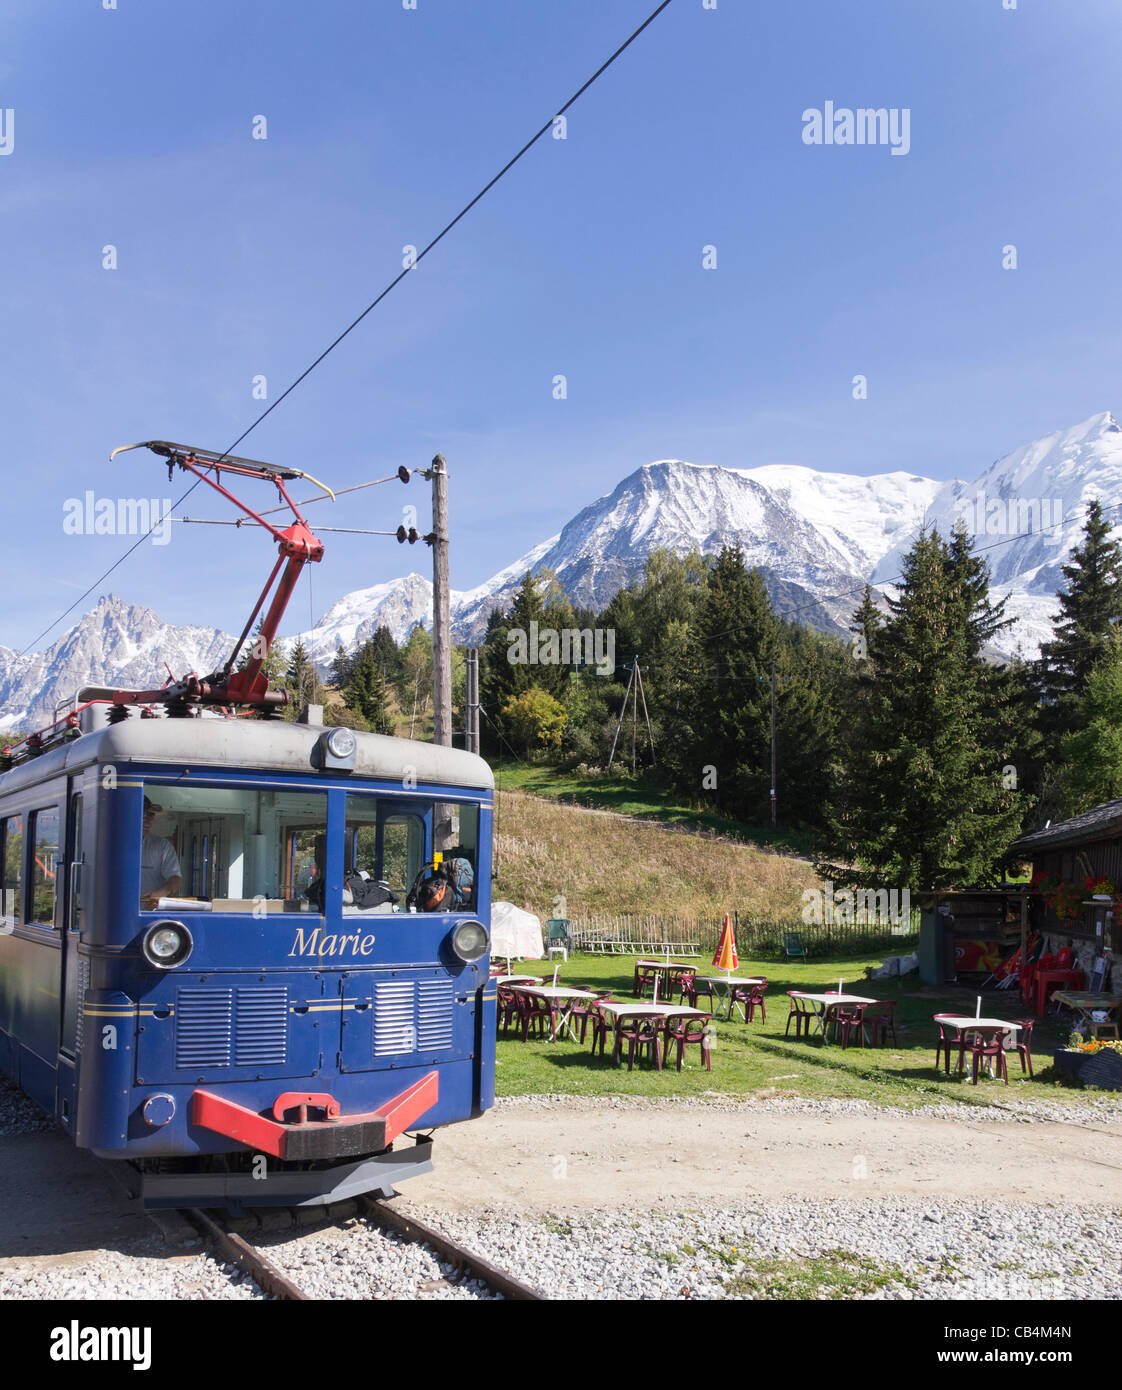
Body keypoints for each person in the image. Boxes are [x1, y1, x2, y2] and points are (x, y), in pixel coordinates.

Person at [140, 797, 182, 909]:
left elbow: (176, 880)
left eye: (151, 816)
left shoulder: (162, 846)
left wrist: (161, 893)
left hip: (149, 915)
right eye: (144, 815)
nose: (149, 821)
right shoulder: (109, 845)